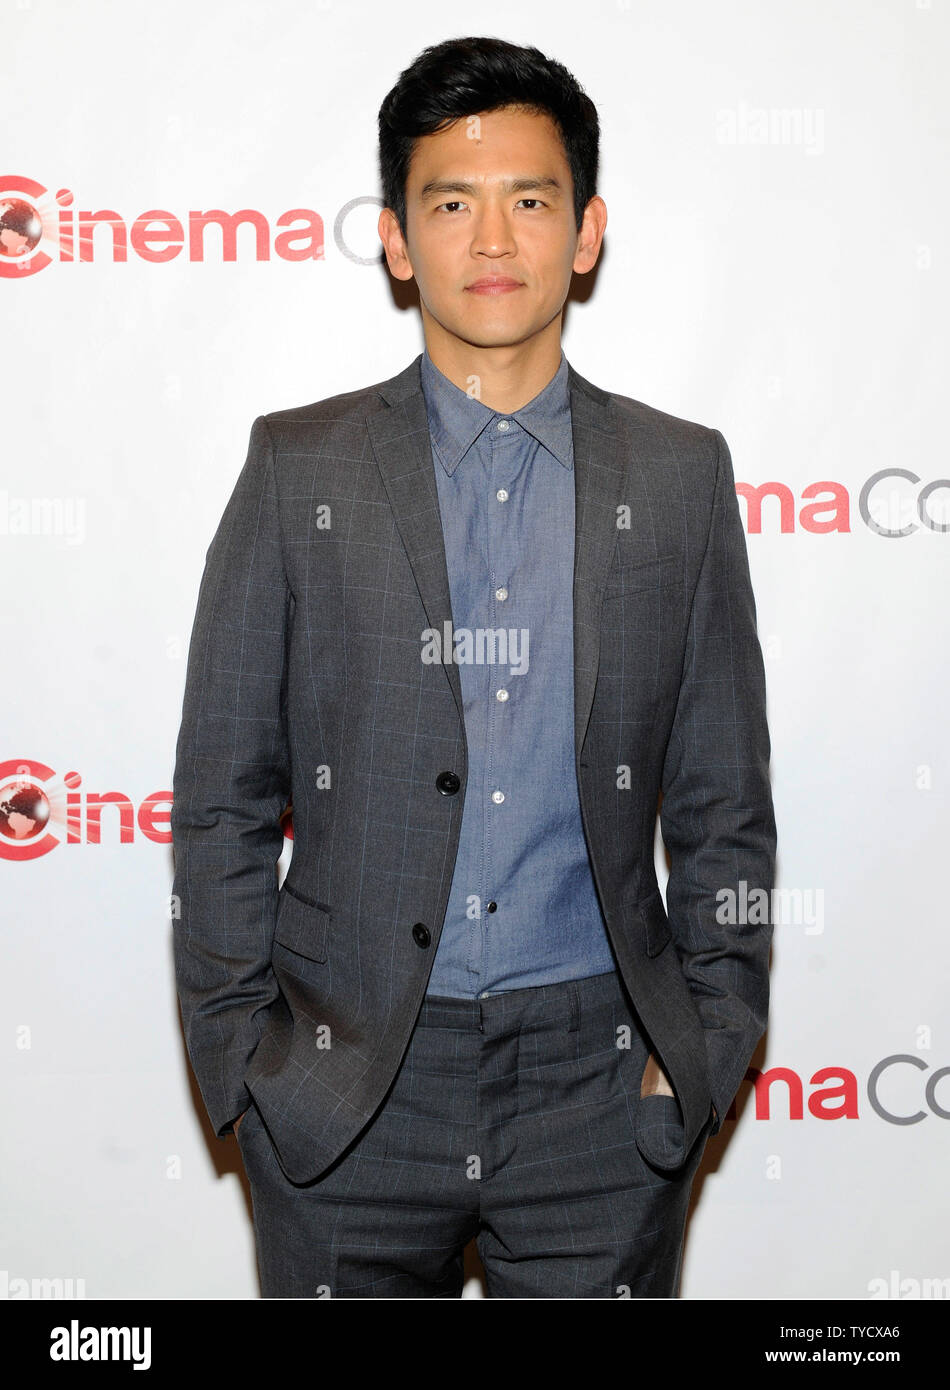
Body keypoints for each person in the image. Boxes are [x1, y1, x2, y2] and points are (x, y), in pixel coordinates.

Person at [171, 34, 777, 1299]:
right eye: (451, 202)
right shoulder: (301, 470)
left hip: (601, 1087)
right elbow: (223, 789)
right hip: (345, 1084)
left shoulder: (676, 479)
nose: (492, 239)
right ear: (396, 236)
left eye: (530, 199)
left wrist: (709, 1038)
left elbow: (724, 801)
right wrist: (244, 1060)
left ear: (587, 229)